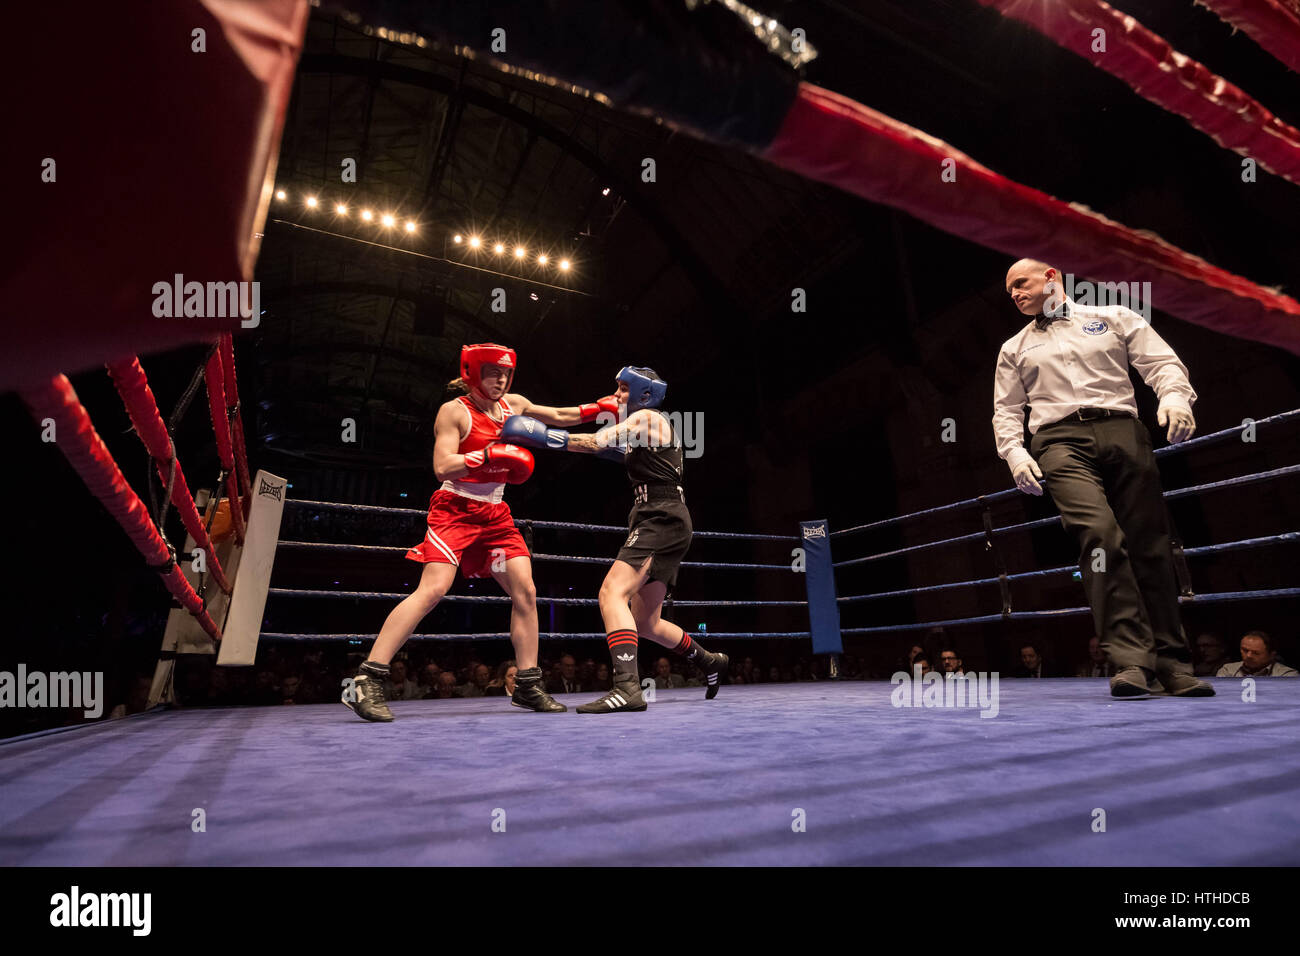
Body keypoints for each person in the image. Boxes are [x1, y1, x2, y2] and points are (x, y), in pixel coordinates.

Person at [342, 343, 613, 721]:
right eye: (492, 372)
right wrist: (487, 455)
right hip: (455, 510)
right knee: (433, 589)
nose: (500, 379)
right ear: (472, 373)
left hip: (496, 515)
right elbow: (442, 465)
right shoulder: (454, 412)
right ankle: (367, 680)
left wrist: (603, 407)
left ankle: (528, 685)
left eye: (505, 373)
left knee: (526, 591)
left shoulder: (513, 405)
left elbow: (559, 415)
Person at [994, 260, 1213, 699]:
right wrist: (1015, 453)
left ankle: (1171, 661)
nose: (1015, 294)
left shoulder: (1112, 316)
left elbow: (1160, 363)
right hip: (1058, 441)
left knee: (1150, 542)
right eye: (1009, 290)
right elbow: (1006, 409)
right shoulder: (1013, 347)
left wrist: (1174, 398)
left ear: (1051, 276)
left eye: (1021, 283)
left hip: (1123, 429)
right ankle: (1131, 660)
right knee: (1098, 534)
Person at [504, 365, 728, 712]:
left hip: (661, 518)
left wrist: (540, 435)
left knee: (611, 592)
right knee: (645, 622)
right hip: (663, 518)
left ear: (643, 395)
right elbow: (595, 446)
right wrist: (531, 413)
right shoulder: (642, 431)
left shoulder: (647, 419)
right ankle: (709, 661)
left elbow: (595, 440)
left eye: (624, 389)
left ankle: (627, 688)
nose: (618, 395)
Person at [1216, 631, 1299, 677]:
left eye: (1256, 653)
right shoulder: (1228, 670)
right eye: (1245, 650)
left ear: (1272, 655)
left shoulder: (1287, 675)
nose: (1248, 656)